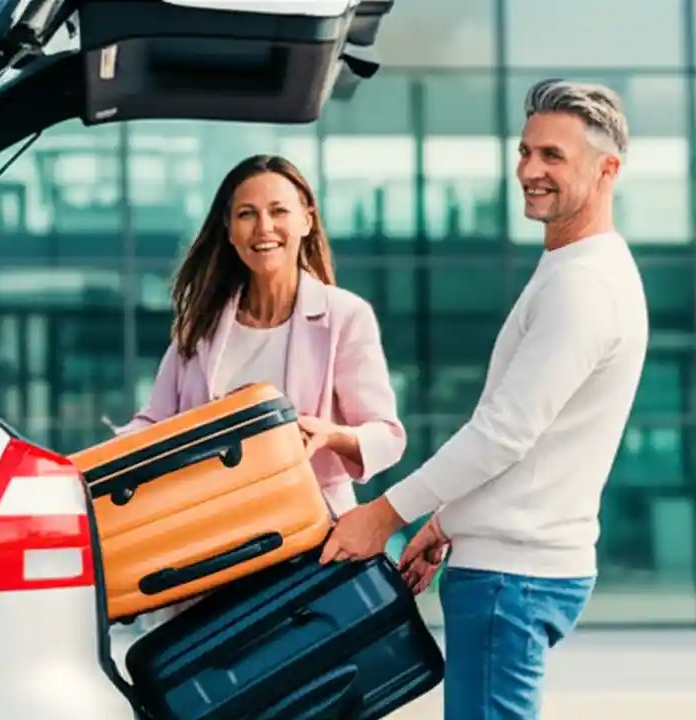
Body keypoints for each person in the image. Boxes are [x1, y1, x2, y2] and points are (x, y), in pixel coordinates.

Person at [318, 79, 649, 718]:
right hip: (510, 568)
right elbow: (533, 442)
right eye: (526, 152)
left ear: (608, 169)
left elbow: (504, 433)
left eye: (553, 156)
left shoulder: (584, 286)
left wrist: (384, 515)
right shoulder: (574, 269)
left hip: (513, 577)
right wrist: (444, 522)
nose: (530, 170)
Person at [116, 154, 406, 518]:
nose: (263, 227)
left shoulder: (344, 317)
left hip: (312, 531)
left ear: (306, 220)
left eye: (278, 211)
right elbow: (153, 423)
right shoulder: (202, 322)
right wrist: (90, 467)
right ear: (229, 228)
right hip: (213, 532)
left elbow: (387, 437)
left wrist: (330, 435)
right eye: (246, 214)